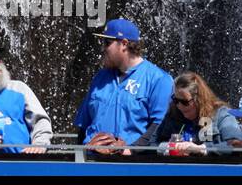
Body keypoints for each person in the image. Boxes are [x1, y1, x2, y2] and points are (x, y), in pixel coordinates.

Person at [74, 18, 173, 153]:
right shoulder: (100, 77)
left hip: (131, 165)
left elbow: (159, 126)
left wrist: (130, 150)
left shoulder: (159, 79)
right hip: (92, 161)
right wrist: (83, 151)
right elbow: (84, 125)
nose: (103, 48)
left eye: (107, 43)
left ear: (124, 44)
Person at [136, 71, 242, 156]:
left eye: (184, 102)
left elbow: (237, 145)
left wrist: (202, 149)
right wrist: (167, 148)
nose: (179, 106)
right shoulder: (172, 115)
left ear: (199, 99)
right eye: (175, 100)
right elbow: (150, 145)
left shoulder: (220, 114)